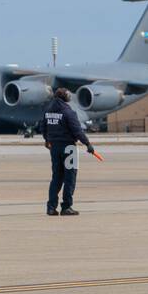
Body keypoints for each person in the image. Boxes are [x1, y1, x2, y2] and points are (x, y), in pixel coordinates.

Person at [39, 87, 95, 216]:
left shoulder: (47, 111)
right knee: (70, 177)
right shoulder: (68, 112)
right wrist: (87, 144)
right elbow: (77, 130)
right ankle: (66, 206)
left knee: (56, 177)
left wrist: (47, 140)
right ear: (65, 97)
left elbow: (43, 127)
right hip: (69, 148)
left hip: (54, 147)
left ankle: (51, 207)